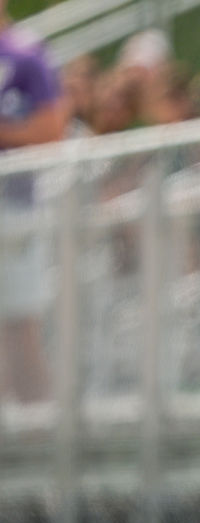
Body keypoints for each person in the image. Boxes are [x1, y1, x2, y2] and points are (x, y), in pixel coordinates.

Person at [0, 0, 69, 404]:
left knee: (19, 325)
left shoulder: (26, 55)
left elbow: (51, 130)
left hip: (13, 208)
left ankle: (41, 428)